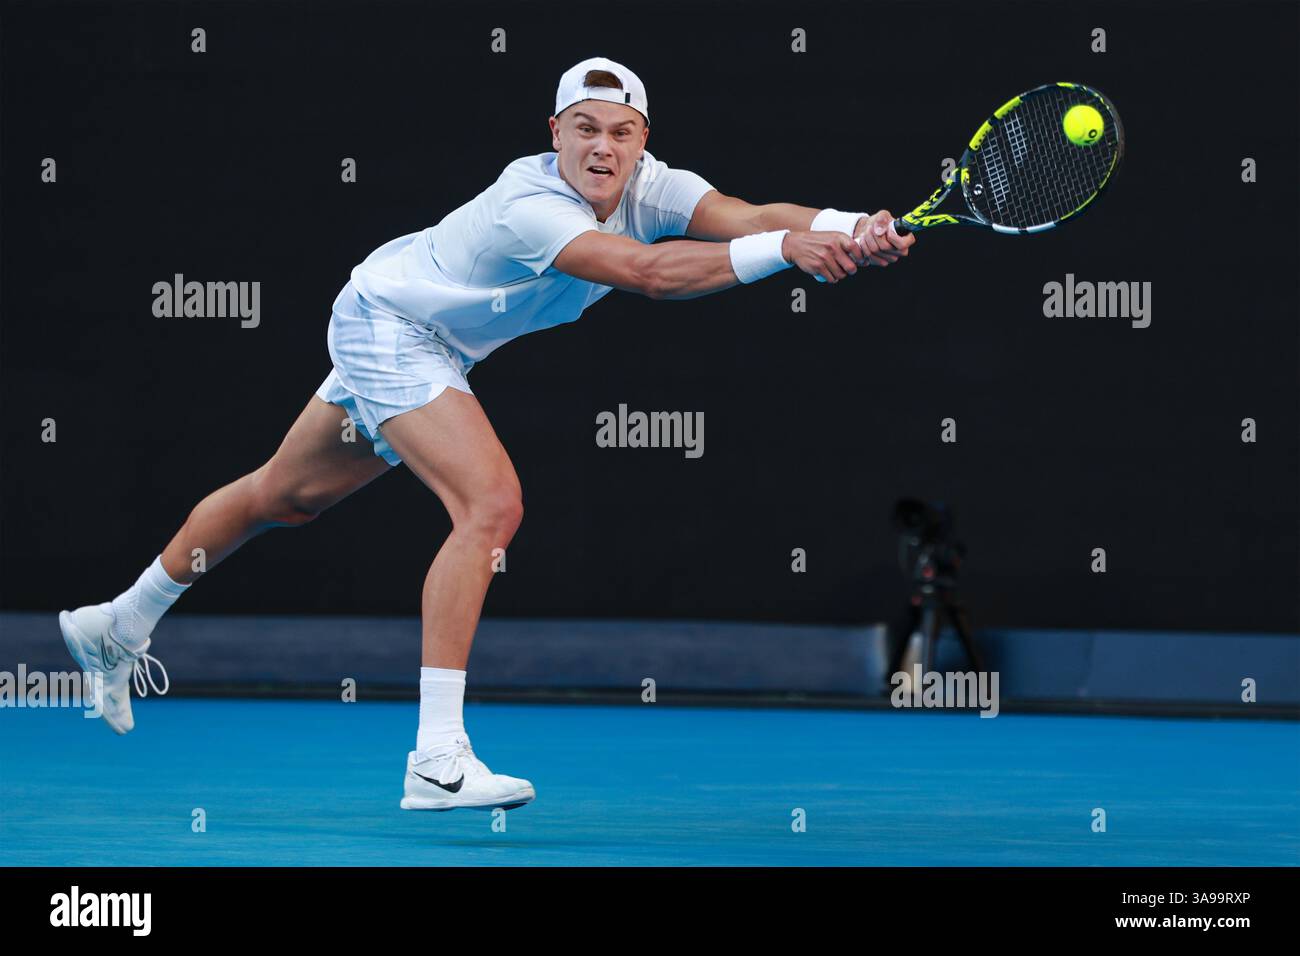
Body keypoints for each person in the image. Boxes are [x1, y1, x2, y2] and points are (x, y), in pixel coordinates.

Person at [59, 56, 916, 812]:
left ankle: (117, 622)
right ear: (556, 132)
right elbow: (649, 275)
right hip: (390, 325)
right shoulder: (529, 201)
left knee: (283, 498)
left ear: (643, 138)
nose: (602, 148)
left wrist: (847, 229)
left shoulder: (653, 185)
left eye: (621, 132)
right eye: (584, 129)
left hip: (420, 333)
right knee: (490, 505)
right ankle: (435, 758)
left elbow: (748, 210)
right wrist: (788, 253)